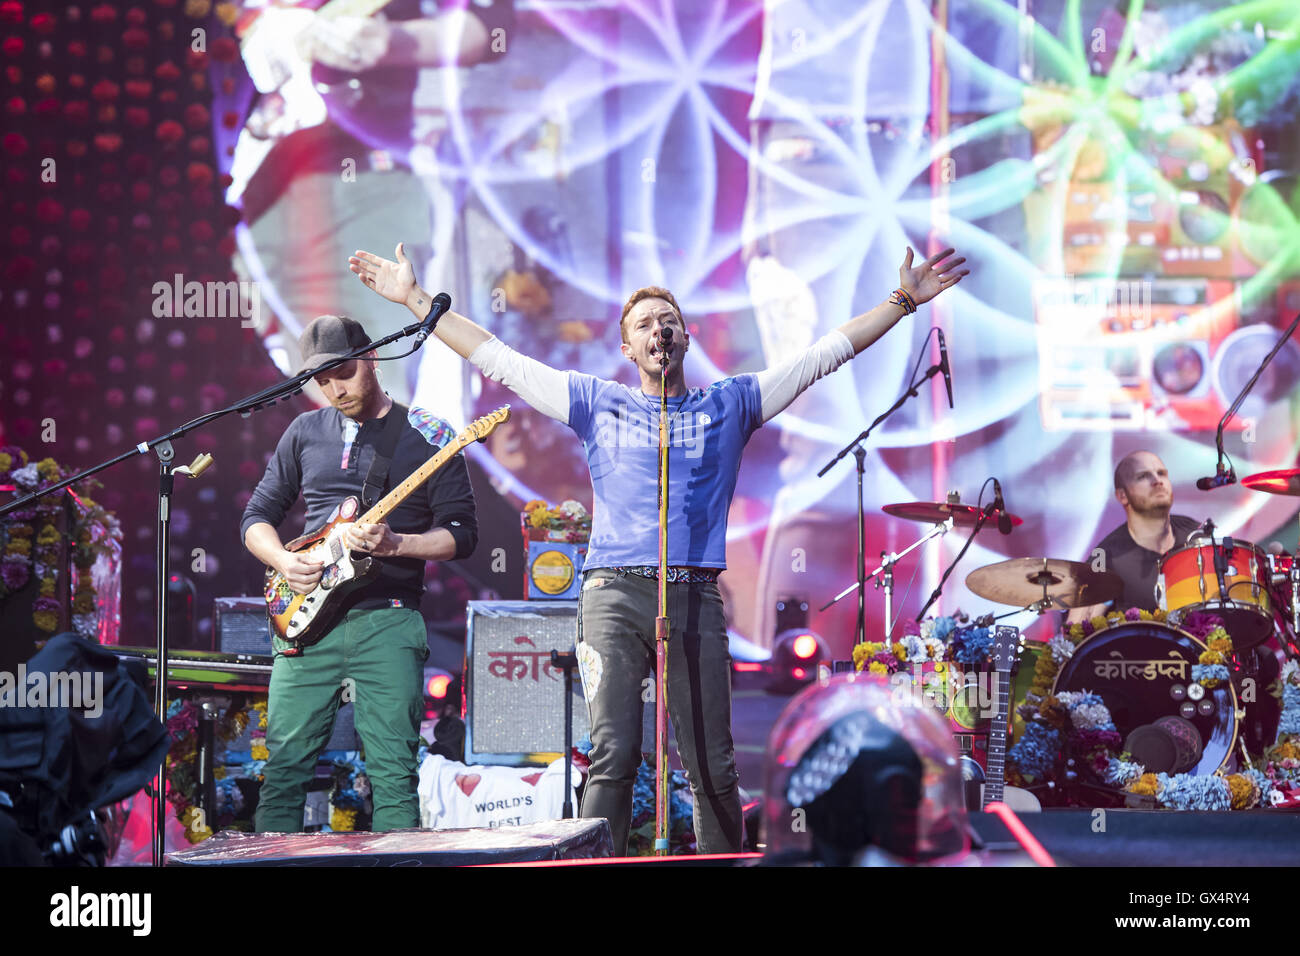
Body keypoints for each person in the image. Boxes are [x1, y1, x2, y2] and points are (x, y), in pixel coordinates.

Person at [347, 241, 968, 854]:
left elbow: (821, 357)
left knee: (712, 764)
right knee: (614, 754)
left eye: (668, 321)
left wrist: (901, 302)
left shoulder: (731, 403)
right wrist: (415, 300)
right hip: (613, 593)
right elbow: (499, 359)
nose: (657, 329)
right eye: (643, 323)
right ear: (627, 348)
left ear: (685, 339)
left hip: (695, 594)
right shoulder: (596, 402)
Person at [241, 314, 478, 832]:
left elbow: (462, 534)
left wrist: (399, 544)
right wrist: (284, 561)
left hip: (388, 619)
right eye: (320, 380)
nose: (333, 388)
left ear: (371, 357)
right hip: (305, 622)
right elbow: (256, 518)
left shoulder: (427, 433)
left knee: (393, 777)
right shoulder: (304, 430)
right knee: (281, 775)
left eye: (342, 372)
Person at [229, 0, 514, 407]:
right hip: (226, 191)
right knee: (233, 401)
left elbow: (492, 26)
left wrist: (390, 42)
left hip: (360, 184)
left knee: (359, 397)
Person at [1067, 450, 1202, 621]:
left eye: (1161, 473)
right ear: (1123, 496)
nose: (1157, 481)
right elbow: (1076, 631)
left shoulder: (1196, 535)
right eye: (1143, 476)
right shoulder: (1104, 557)